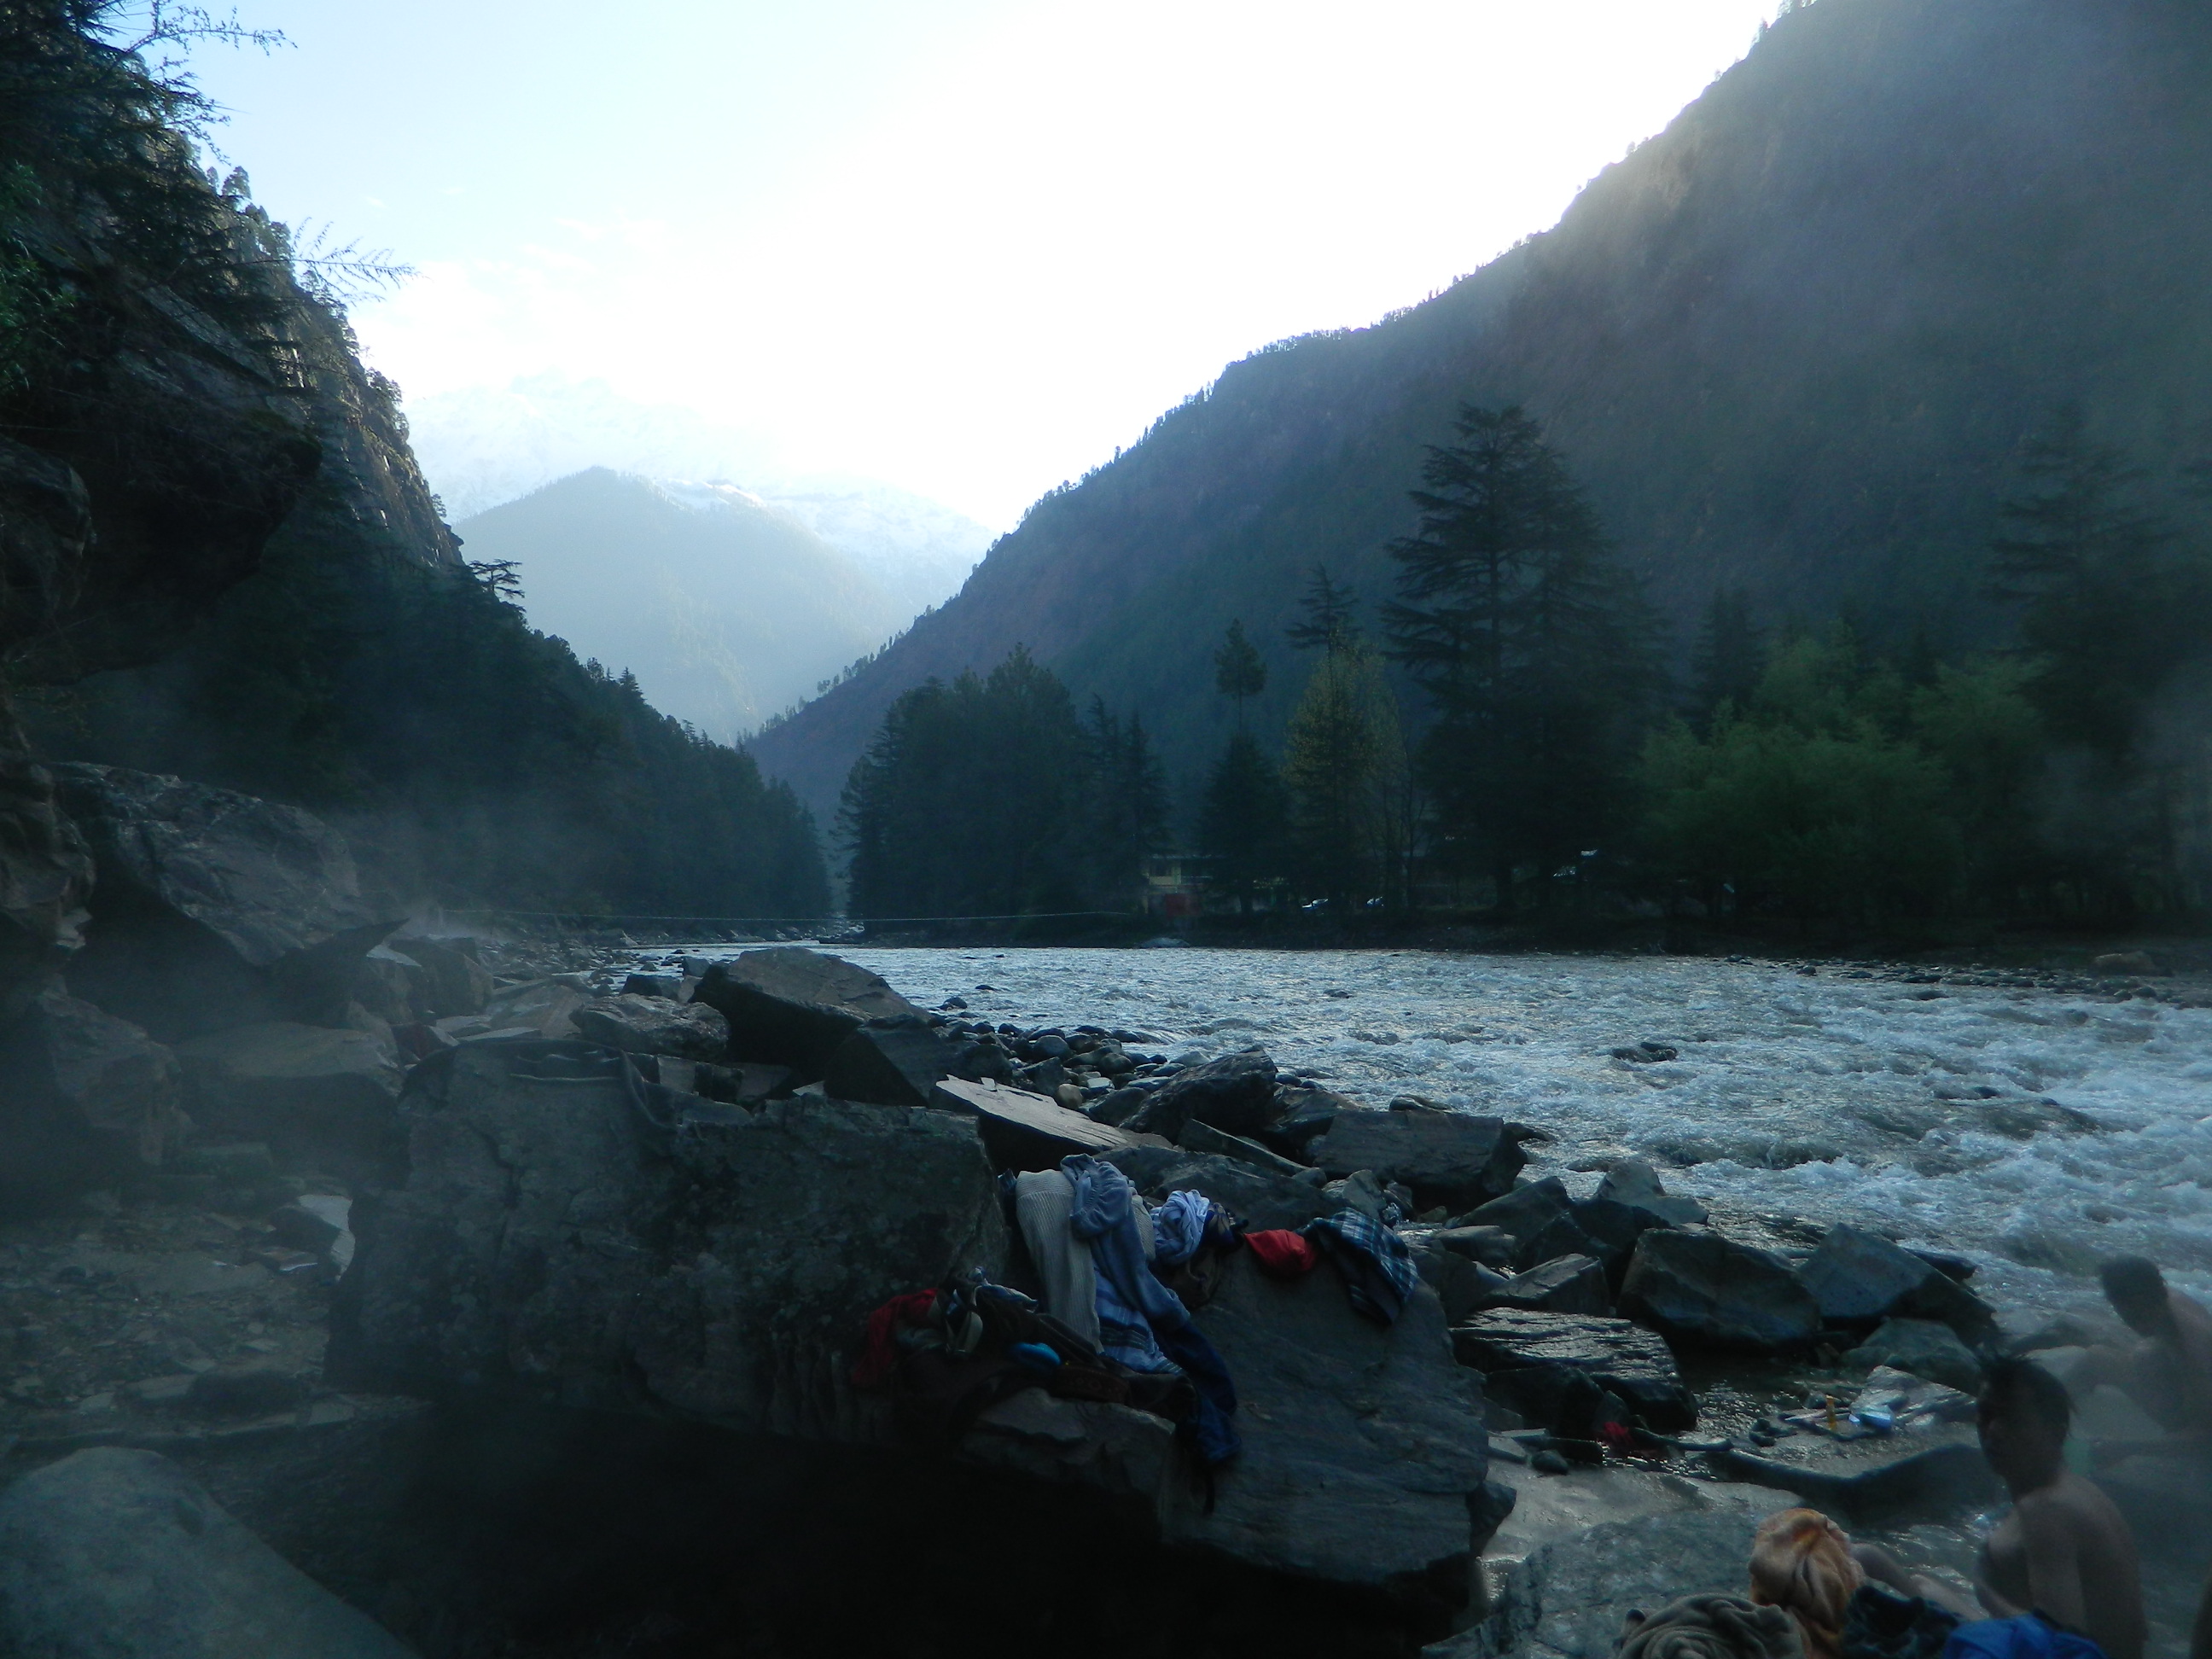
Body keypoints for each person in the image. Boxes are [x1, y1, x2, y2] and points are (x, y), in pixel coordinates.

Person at [1858, 1357, 2145, 1659]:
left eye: (2012, 1420)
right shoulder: (2077, 1491)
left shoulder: (2047, 1509)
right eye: (1986, 1414)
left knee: (1868, 1559)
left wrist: (1987, 1592)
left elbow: (2063, 1648)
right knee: (1922, 1586)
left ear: (2055, 1434)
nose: (1993, 1431)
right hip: (2035, 1643)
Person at [2075, 1256, 2212, 1451]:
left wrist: (2126, 1448)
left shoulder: (2193, 1349)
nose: (2138, 1323)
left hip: (2201, 1437)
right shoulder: (2167, 1297)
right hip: (2182, 1393)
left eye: (2142, 1314)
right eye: (2131, 1316)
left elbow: (2205, 1436)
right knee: (2098, 1357)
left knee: (2111, 1359)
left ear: (2158, 1298)